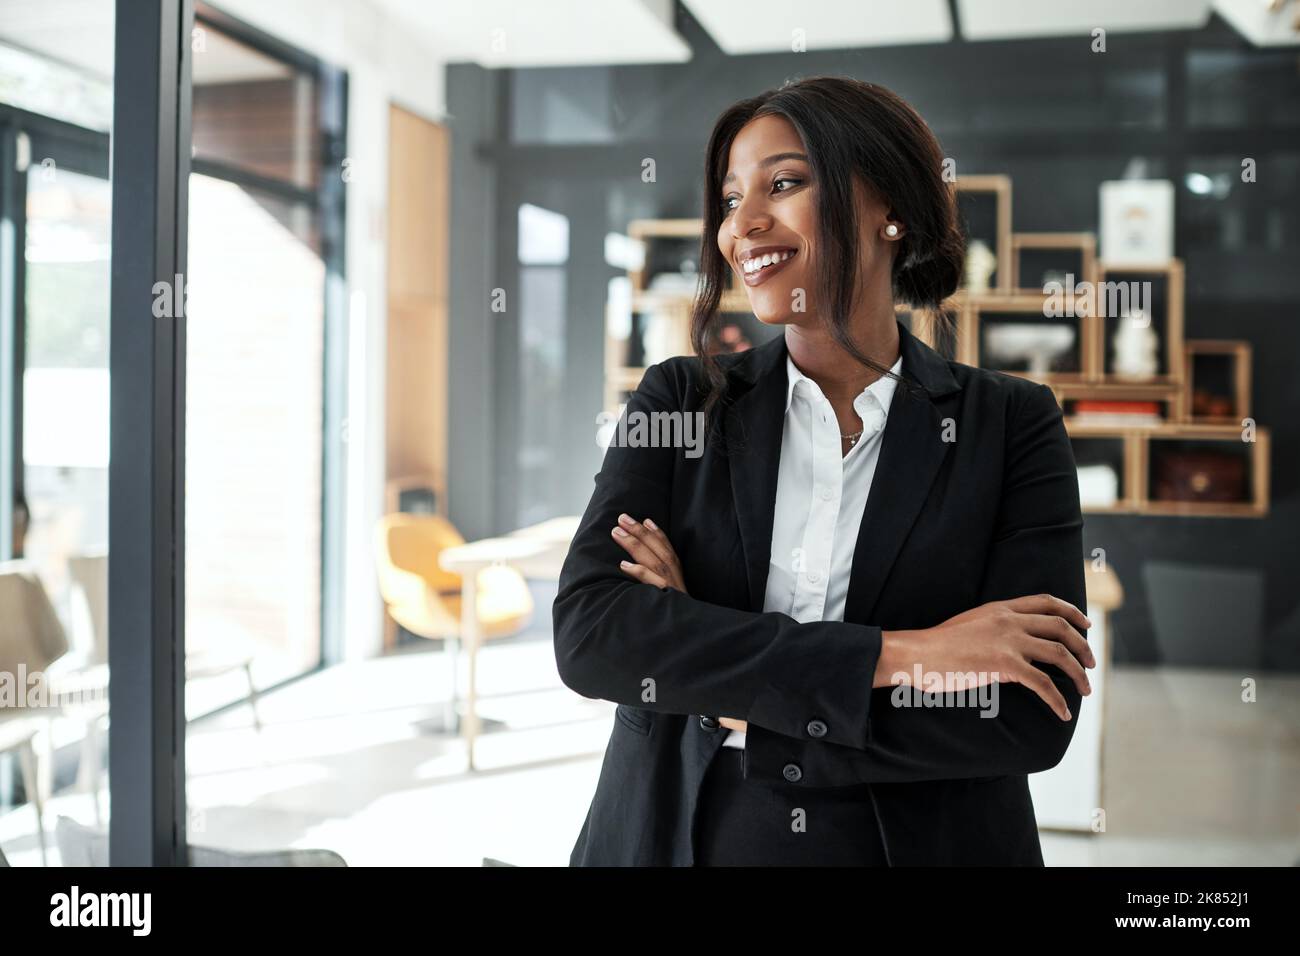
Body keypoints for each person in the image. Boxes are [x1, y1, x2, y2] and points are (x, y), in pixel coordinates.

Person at [553, 75, 1093, 866]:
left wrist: (719, 680)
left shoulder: (1011, 425)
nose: (743, 225)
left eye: (784, 183)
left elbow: (1025, 716)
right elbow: (595, 637)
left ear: (890, 210)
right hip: (674, 832)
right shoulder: (682, 399)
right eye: (732, 198)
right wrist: (907, 656)